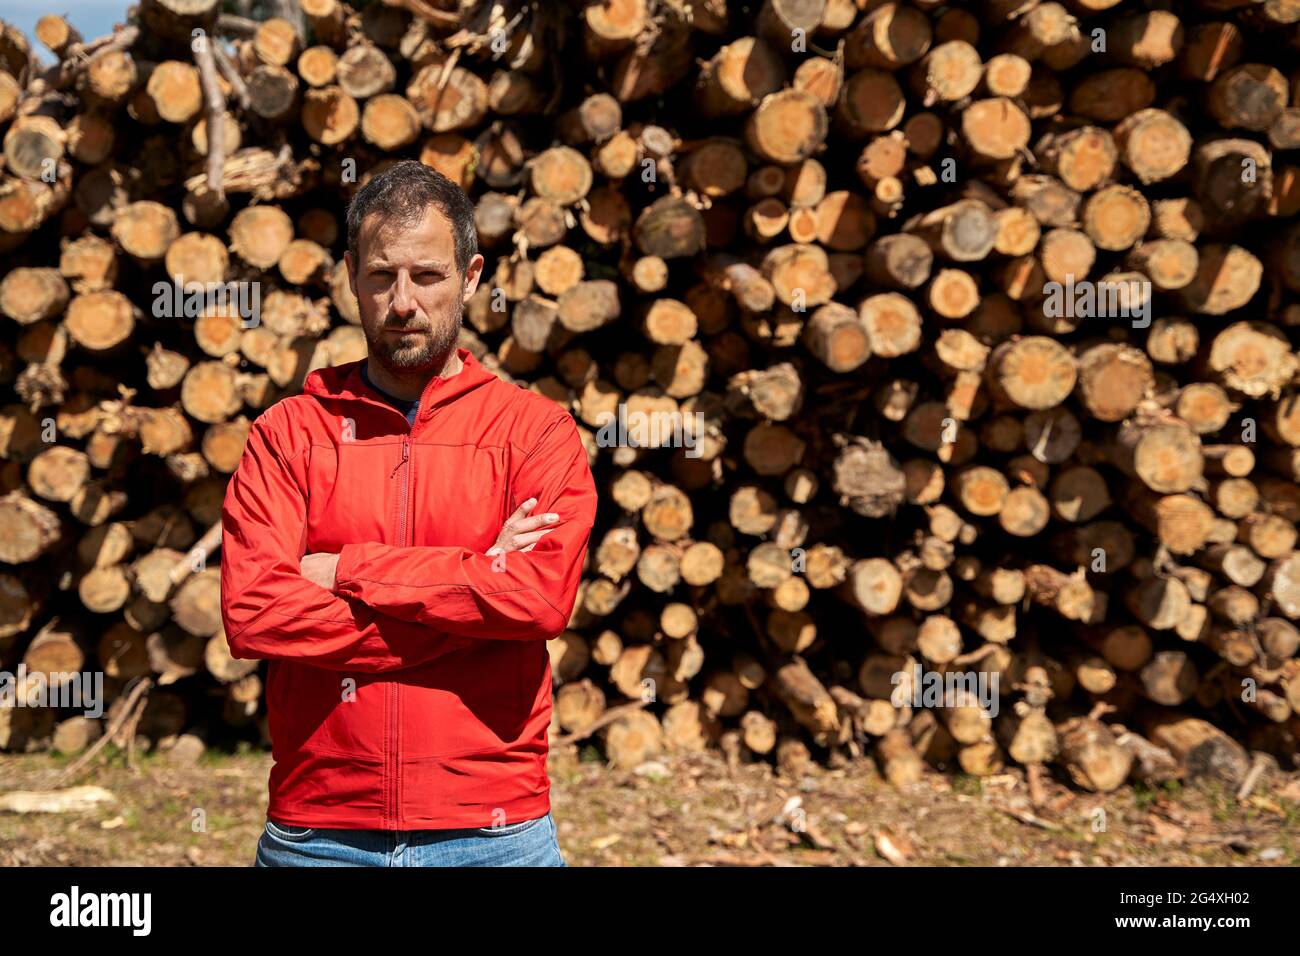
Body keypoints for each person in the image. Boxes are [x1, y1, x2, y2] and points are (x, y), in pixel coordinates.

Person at [219, 160, 598, 866]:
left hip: (494, 835)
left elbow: (538, 600)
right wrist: (474, 599)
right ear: (350, 276)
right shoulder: (289, 434)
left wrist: (348, 570)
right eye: (381, 276)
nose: (402, 302)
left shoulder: (534, 433)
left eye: (427, 276)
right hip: (318, 835)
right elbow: (256, 614)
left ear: (471, 277)